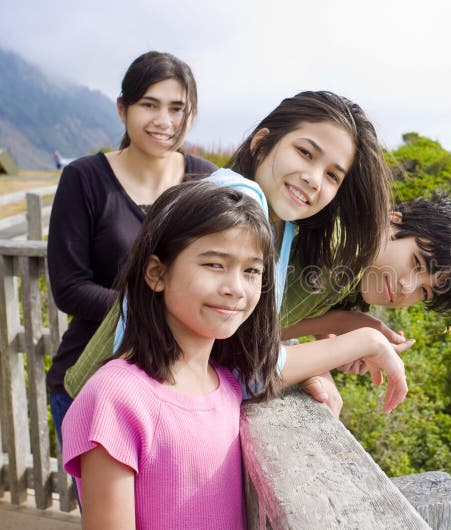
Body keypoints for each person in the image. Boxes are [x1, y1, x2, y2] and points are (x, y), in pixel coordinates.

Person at [61, 182, 408, 530]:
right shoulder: (115, 398)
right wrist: (365, 339)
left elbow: (273, 367)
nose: (236, 288)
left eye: (251, 271)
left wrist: (366, 338)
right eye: (214, 264)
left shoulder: (226, 383)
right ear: (157, 273)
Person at [63, 90, 407, 406]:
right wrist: (364, 342)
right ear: (262, 144)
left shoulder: (278, 225)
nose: (313, 179)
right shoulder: (234, 205)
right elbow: (250, 367)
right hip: (111, 410)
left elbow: (254, 341)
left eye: (333, 175)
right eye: (305, 153)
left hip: (132, 403)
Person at [47, 51, 216, 446]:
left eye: (177, 108)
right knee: (109, 511)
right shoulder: (84, 178)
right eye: (149, 105)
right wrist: (161, 308)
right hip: (91, 378)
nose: (164, 121)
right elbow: (70, 288)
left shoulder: (205, 180)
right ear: (123, 109)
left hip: (179, 386)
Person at [281, 195, 451, 415]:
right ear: (392, 221)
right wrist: (354, 334)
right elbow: (251, 337)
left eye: (424, 291)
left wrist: (330, 333)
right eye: (417, 263)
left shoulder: (356, 279)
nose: (407, 288)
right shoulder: (336, 254)